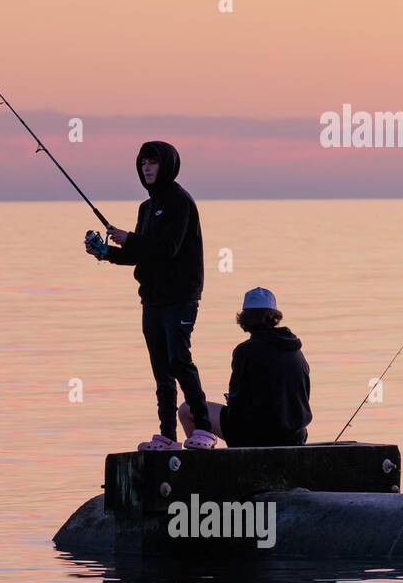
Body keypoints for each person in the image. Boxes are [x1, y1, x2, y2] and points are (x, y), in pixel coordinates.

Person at [85, 140, 217, 451]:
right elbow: (141, 255)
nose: (146, 168)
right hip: (153, 298)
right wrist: (106, 253)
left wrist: (130, 239)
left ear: (167, 165)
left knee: (179, 360)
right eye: (143, 162)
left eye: (153, 162)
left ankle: (204, 430)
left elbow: (167, 248)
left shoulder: (180, 202)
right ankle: (167, 435)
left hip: (181, 296)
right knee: (160, 367)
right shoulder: (146, 208)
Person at [179, 287, 312, 447]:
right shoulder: (296, 351)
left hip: (254, 433)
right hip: (295, 435)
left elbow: (237, 400)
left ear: (244, 319)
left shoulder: (245, 350)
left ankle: (204, 462)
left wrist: (233, 400)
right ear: (274, 316)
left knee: (187, 410)